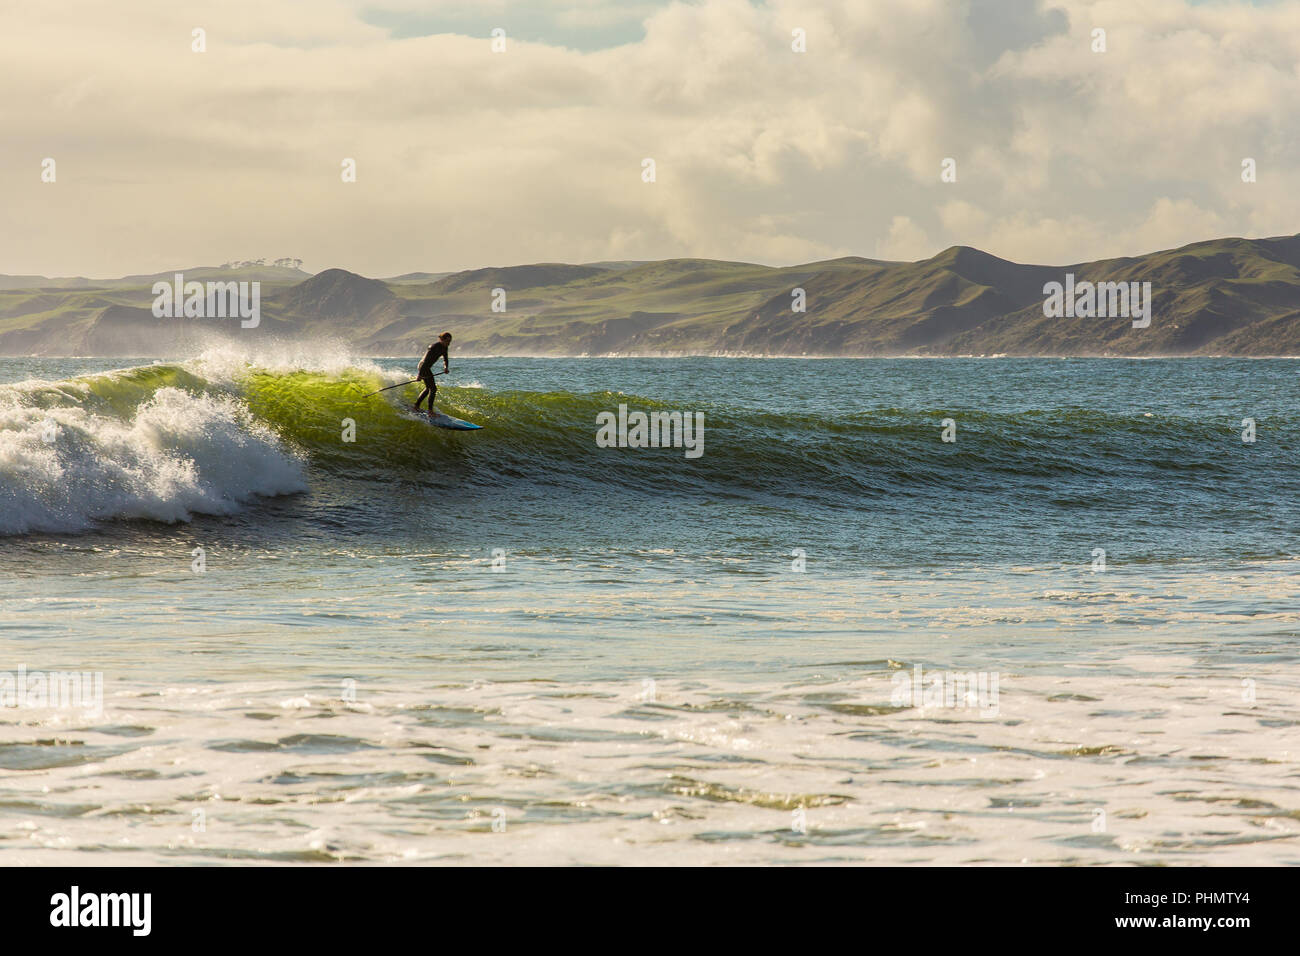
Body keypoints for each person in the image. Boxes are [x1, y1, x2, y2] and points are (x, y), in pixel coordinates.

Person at [414, 332, 451, 413]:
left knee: (428, 388)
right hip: (423, 366)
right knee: (433, 389)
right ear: (442, 340)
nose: (448, 343)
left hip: (426, 367)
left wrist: (446, 368)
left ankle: (416, 406)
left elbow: (445, 359)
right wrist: (419, 375)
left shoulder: (445, 348)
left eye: (450, 341)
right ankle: (430, 411)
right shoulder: (434, 347)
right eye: (447, 341)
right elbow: (425, 361)